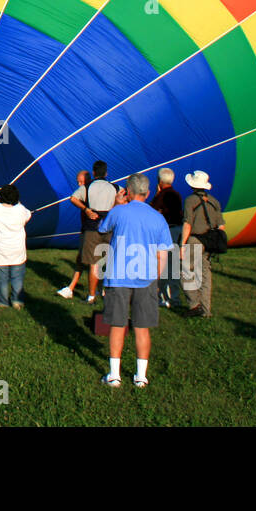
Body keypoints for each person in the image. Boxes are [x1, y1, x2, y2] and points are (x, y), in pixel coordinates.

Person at [98, 174, 173, 387]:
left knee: (117, 325)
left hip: (119, 276)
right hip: (146, 276)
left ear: (127, 192)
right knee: (142, 327)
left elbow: (103, 228)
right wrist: (155, 279)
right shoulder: (158, 218)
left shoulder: (119, 211)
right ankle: (141, 376)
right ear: (148, 193)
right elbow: (162, 254)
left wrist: (116, 203)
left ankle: (114, 375)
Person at [179, 170, 224, 318]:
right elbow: (221, 226)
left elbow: (187, 224)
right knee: (205, 275)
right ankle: (206, 310)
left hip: (195, 239)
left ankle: (194, 304)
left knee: (185, 272)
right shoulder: (215, 201)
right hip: (209, 241)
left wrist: (182, 245)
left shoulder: (190, 200)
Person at [72, 162, 117, 304]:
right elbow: (125, 197)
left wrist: (86, 210)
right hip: (109, 227)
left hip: (92, 227)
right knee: (107, 262)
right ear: (106, 173)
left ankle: (91, 296)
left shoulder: (87, 187)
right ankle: (105, 291)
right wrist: (114, 208)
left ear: (93, 173)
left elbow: (73, 198)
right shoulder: (115, 187)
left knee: (94, 263)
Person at [0, 185, 32, 308]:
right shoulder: (21, 210)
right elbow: (28, 215)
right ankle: (17, 301)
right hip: (17, 249)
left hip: (0, 249)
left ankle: (2, 302)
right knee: (17, 278)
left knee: (1, 279)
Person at [149, 168, 184, 308]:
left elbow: (152, 211)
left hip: (165, 232)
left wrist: (157, 195)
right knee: (173, 266)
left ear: (160, 181)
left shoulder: (161, 196)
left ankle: (162, 296)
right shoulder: (177, 195)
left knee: (162, 265)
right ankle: (174, 298)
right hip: (177, 230)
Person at [57, 170, 93, 299]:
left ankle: (74, 289)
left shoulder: (90, 191)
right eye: (78, 181)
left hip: (92, 231)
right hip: (87, 229)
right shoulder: (85, 191)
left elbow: (73, 199)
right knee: (87, 260)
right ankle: (98, 290)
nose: (79, 184)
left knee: (86, 260)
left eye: (81, 181)